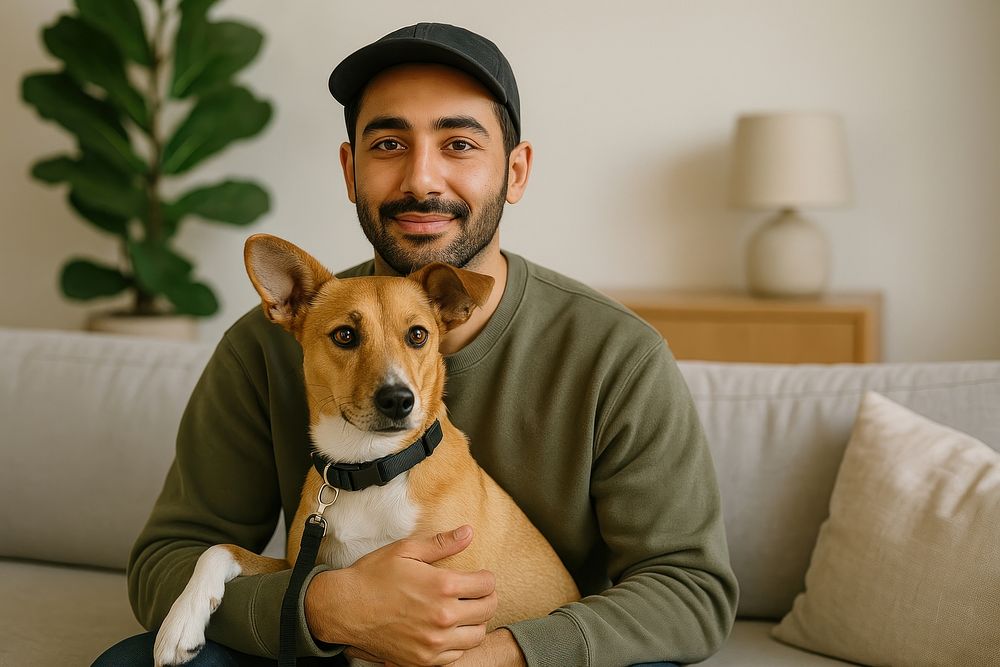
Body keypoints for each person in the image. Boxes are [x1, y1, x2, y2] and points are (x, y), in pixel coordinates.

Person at [94, 23, 737, 667]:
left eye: (458, 143)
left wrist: (499, 654)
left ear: (514, 172)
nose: (421, 177)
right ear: (350, 171)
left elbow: (692, 592)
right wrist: (328, 610)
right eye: (389, 143)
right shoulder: (265, 343)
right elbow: (162, 563)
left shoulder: (618, 354)